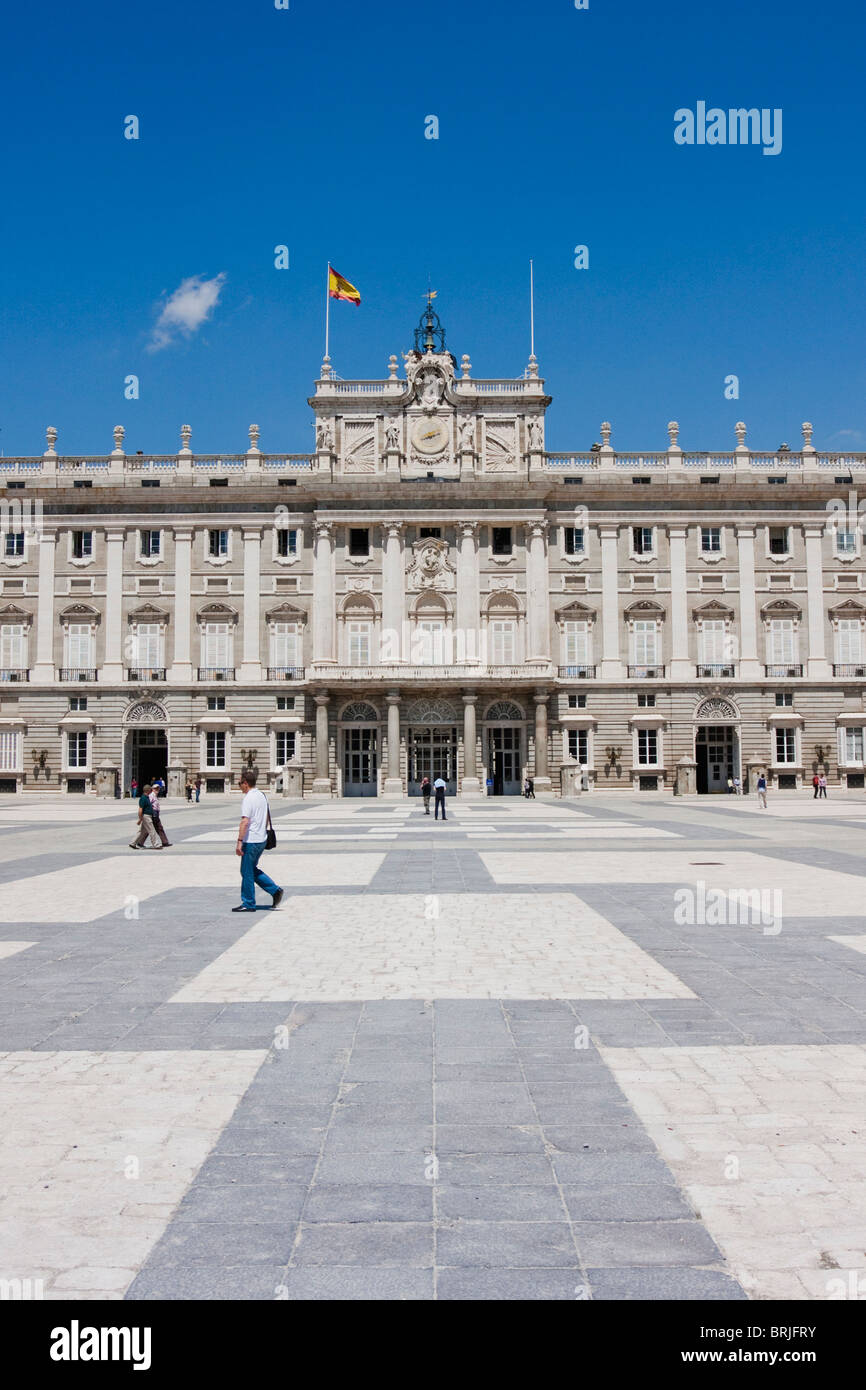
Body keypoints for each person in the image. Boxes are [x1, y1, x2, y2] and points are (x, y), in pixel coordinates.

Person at [233, 769, 284, 912]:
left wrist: (239, 841)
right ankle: (275, 890)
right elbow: (267, 816)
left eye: (239, 783)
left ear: (245, 783)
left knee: (247, 871)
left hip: (252, 840)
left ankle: (248, 903)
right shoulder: (262, 795)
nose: (239, 786)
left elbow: (244, 822)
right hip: (261, 838)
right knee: (249, 869)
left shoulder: (248, 798)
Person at [130, 783, 162, 849]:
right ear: (148, 790)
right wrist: (140, 819)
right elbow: (140, 810)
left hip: (148, 816)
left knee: (141, 831)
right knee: (152, 830)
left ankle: (132, 843)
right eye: (150, 790)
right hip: (146, 816)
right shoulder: (143, 798)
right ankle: (155, 844)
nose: (151, 791)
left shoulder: (147, 797)